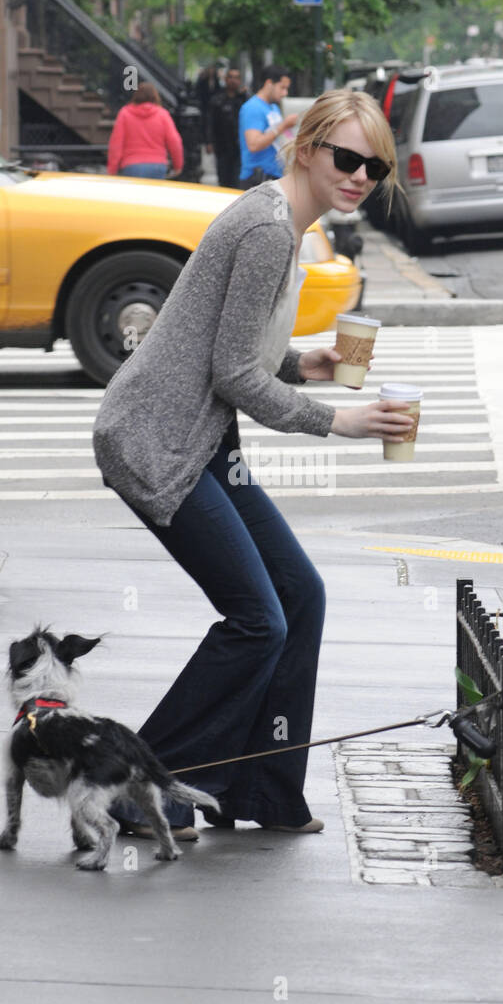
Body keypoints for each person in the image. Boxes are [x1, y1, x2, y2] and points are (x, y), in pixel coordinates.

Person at [92, 89, 412, 839]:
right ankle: (140, 787)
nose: (361, 174)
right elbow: (234, 376)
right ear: (305, 147)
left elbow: (241, 356)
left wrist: (314, 363)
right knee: (256, 619)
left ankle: (261, 790)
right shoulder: (268, 230)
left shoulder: (285, 226)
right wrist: (343, 421)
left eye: (375, 164)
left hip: (204, 440)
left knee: (300, 595)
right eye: (347, 157)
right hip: (156, 439)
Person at [107, 82, 184, 179]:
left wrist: (112, 169)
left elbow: (116, 143)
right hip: (157, 165)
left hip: (131, 165)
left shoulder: (125, 113)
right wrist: (178, 166)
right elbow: (174, 141)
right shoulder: (162, 114)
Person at [238, 65, 298, 188]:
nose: (284, 93)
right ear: (269, 83)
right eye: (282, 88)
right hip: (256, 179)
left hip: (273, 176)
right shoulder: (252, 108)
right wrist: (283, 126)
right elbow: (254, 145)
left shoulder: (273, 107)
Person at [206, 66, 247, 188]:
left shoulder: (243, 99)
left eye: (236, 78)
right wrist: (209, 142)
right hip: (222, 144)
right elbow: (209, 121)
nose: (233, 80)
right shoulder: (217, 99)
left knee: (236, 178)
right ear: (225, 79)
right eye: (230, 77)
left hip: (239, 146)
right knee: (223, 178)